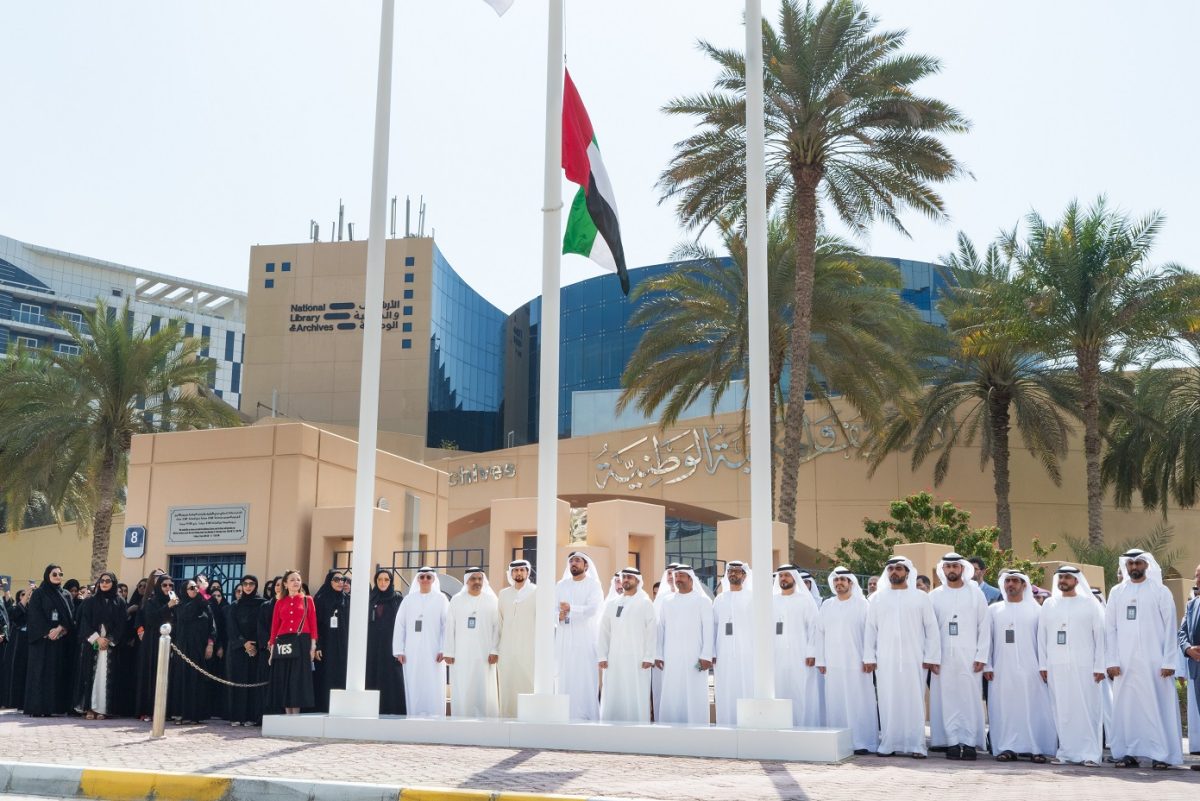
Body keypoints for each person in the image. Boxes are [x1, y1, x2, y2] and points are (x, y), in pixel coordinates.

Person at [1105, 550, 1183, 769]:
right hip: (1125, 664)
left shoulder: (1160, 591)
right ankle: (1128, 752)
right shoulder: (1117, 592)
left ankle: (1161, 755)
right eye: (1130, 564)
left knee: (1157, 706)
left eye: (1138, 563)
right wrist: (1111, 660)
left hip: (1155, 663)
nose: (1133, 567)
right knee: (1127, 709)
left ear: (1146, 565)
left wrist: (1169, 661)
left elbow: (1170, 628)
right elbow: (1109, 628)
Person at [863, 556, 940, 758]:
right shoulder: (877, 598)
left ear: (907, 572)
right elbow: (870, 630)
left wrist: (932, 656)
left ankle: (916, 745)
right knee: (888, 699)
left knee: (914, 700)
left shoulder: (921, 597)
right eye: (891, 569)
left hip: (915, 658)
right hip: (885, 659)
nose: (894, 572)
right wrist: (869, 656)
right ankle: (888, 743)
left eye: (899, 568)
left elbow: (931, 628)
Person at [983, 570, 1054, 763]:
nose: (1011, 585)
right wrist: (987, 665)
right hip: (1001, 669)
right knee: (1004, 709)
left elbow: (1043, 641)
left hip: (1032, 668)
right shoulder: (994, 610)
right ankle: (1007, 747)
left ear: (1024, 585)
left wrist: (1044, 665)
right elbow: (987, 640)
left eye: (1015, 581)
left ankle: (1035, 748)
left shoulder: (1037, 610)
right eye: (1008, 581)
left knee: (1033, 708)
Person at [1037, 565, 1105, 767]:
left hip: (1085, 666)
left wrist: (1099, 666)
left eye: (1067, 577)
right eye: (1061, 577)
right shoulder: (1049, 604)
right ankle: (1066, 752)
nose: (1063, 580)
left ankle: (1091, 753)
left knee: (1087, 708)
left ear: (1076, 580)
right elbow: (1042, 636)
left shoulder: (1090, 604)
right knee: (1063, 709)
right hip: (1056, 665)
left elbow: (1100, 637)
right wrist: (1043, 664)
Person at [928, 552, 990, 760]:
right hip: (942, 658)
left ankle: (970, 743)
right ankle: (952, 742)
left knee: (969, 699)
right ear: (942, 570)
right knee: (946, 699)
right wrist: (932, 658)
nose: (952, 570)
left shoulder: (975, 594)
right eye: (948, 567)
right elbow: (929, 629)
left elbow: (985, 626)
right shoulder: (934, 595)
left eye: (955, 566)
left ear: (963, 568)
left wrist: (982, 655)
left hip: (970, 656)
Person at [816, 567, 876, 754]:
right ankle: (839, 742)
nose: (838, 583)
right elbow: (819, 633)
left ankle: (862, 742)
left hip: (857, 663)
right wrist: (821, 660)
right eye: (836, 580)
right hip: (833, 664)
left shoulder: (863, 604)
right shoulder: (827, 605)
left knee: (859, 702)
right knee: (836, 702)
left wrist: (869, 657)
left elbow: (870, 634)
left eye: (843, 579)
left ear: (851, 582)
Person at [654, 565, 714, 725]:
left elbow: (709, 630)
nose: (677, 578)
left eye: (681, 575)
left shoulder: (703, 601)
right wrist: (658, 654)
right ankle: (670, 726)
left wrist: (707, 655)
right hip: (671, 656)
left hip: (696, 657)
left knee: (695, 692)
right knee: (672, 691)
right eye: (676, 576)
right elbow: (661, 629)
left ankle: (697, 726)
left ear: (690, 578)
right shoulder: (667, 601)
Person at [596, 568, 655, 723]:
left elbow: (652, 632)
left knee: (635, 692)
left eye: (630, 577)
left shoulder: (645, 602)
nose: (626, 580)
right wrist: (602, 655)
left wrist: (649, 656)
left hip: (638, 658)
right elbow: (604, 631)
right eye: (624, 577)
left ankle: (637, 726)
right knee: (614, 691)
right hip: (614, 658)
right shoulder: (612, 603)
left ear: (637, 581)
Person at [443, 567, 500, 717]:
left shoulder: (492, 600)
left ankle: (486, 721)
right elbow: (449, 627)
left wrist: (495, 650)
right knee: (463, 686)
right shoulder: (456, 600)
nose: (477, 582)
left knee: (484, 688)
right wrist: (449, 652)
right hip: (461, 654)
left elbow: (497, 628)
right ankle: (462, 718)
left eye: (480, 579)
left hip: (485, 653)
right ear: (466, 581)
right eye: (473, 579)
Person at [393, 566, 448, 717]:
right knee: (414, 682)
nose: (425, 580)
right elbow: (400, 625)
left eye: (428, 577)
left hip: (434, 650)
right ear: (417, 579)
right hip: (412, 651)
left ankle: (435, 716)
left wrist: (444, 649)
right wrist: (399, 650)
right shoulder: (408, 600)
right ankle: (414, 715)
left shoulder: (441, 599)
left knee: (433, 683)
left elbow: (446, 626)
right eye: (422, 577)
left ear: (433, 580)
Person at [555, 552, 603, 721]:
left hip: (585, 639)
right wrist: (558, 616)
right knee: (565, 674)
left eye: (577, 560)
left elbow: (592, 610)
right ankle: (564, 714)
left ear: (586, 565)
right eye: (571, 561)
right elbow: (552, 609)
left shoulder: (593, 585)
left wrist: (570, 608)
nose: (574, 563)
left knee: (584, 677)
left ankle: (586, 715)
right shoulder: (561, 585)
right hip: (564, 637)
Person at [25, 564, 77, 716]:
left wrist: (60, 629)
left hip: (59, 640)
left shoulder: (66, 594)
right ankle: (37, 708)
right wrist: (48, 632)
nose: (58, 576)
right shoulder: (39, 593)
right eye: (54, 574)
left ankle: (54, 707)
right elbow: (34, 615)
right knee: (40, 673)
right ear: (47, 575)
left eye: (60, 574)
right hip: (42, 641)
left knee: (56, 672)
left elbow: (70, 615)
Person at [773, 564, 821, 727]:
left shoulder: (805, 600)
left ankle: (803, 726)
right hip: (777, 655)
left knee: (801, 691)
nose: (783, 578)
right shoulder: (772, 601)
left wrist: (811, 652)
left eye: (787, 575)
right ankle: (782, 726)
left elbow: (814, 628)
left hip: (801, 654)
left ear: (794, 577)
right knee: (780, 690)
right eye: (781, 576)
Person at [74, 571, 125, 720]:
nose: (104, 583)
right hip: (93, 645)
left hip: (110, 647)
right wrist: (97, 639)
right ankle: (90, 708)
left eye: (108, 581)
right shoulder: (90, 601)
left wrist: (108, 639)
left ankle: (103, 709)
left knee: (105, 678)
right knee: (90, 675)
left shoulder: (119, 602)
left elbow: (122, 624)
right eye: (102, 581)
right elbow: (84, 622)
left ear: (113, 583)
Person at [267, 570, 317, 715]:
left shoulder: (308, 600)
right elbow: (274, 626)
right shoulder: (279, 602)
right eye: (292, 580)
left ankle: (296, 713)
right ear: (285, 583)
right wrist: (272, 648)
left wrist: (313, 645)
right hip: (283, 641)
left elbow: (313, 623)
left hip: (301, 640)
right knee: (284, 677)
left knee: (297, 677)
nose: (296, 582)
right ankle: (287, 713)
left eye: (298, 580)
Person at [712, 561, 755, 725]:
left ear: (744, 575)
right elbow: (714, 627)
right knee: (725, 689)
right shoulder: (720, 599)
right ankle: (725, 723)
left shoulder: (752, 597)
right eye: (730, 571)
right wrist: (712, 652)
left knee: (746, 687)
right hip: (724, 653)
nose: (733, 574)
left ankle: (748, 723)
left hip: (747, 653)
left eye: (737, 572)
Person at [169, 579, 215, 724]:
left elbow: (212, 627)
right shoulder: (180, 606)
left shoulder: (204, 606)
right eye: (191, 588)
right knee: (183, 680)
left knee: (198, 680)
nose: (194, 590)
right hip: (183, 649)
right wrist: (201, 593)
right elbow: (186, 615)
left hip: (199, 649)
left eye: (196, 587)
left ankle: (196, 714)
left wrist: (210, 644)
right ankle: (181, 713)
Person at [496, 559, 536, 718]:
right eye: (515, 570)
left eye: (522, 570)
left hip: (530, 648)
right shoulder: (504, 594)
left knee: (528, 682)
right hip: (507, 649)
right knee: (508, 684)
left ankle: (529, 716)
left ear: (527, 572)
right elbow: (499, 623)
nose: (518, 573)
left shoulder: (537, 591)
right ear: (511, 573)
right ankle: (507, 716)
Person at [226, 575, 265, 726]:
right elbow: (231, 627)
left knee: (253, 681)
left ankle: (251, 716)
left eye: (251, 584)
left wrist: (254, 644)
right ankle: (237, 716)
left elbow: (262, 625)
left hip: (256, 649)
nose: (248, 587)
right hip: (239, 649)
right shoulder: (235, 606)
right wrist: (243, 643)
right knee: (238, 681)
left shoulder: (262, 604)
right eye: (245, 584)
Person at [365, 569, 406, 715]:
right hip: (373, 645)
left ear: (391, 582)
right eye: (379, 580)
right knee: (372, 673)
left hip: (391, 644)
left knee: (391, 676)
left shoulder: (397, 599)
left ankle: (392, 709)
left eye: (386, 580)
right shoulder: (370, 598)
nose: (383, 583)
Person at [312, 570, 349, 713]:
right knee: (327, 674)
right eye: (337, 579)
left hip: (343, 643)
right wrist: (318, 644)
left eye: (343, 579)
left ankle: (341, 708)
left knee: (342, 673)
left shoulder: (347, 599)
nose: (341, 582)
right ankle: (325, 706)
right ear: (329, 581)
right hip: (326, 644)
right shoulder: (321, 599)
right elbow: (316, 623)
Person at [651, 563, 684, 720]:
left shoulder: (694, 596)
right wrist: (657, 653)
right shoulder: (661, 598)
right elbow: (656, 627)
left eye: (675, 573)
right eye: (669, 573)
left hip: (685, 653)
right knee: (662, 690)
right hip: (663, 654)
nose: (672, 577)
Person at [1179, 561, 1200, 763]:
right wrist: (1188, 649)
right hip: (1197, 666)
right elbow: (1182, 632)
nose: (1198, 579)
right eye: (1197, 575)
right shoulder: (1192, 605)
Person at [256, 577, 281, 717]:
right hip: (267, 650)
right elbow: (261, 627)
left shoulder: (288, 604)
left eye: (281, 585)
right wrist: (268, 642)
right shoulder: (265, 605)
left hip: (284, 650)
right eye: (276, 585)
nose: (278, 587)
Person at [3, 589, 30, 709]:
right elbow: (14, 616)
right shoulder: (15, 609)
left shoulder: (34, 608)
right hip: (17, 643)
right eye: (23, 595)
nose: (26, 596)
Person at [206, 583, 229, 720]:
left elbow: (224, 630)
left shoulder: (226, 609)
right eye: (213, 595)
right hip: (209, 647)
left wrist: (220, 646)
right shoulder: (209, 609)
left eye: (219, 595)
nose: (216, 598)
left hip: (223, 648)